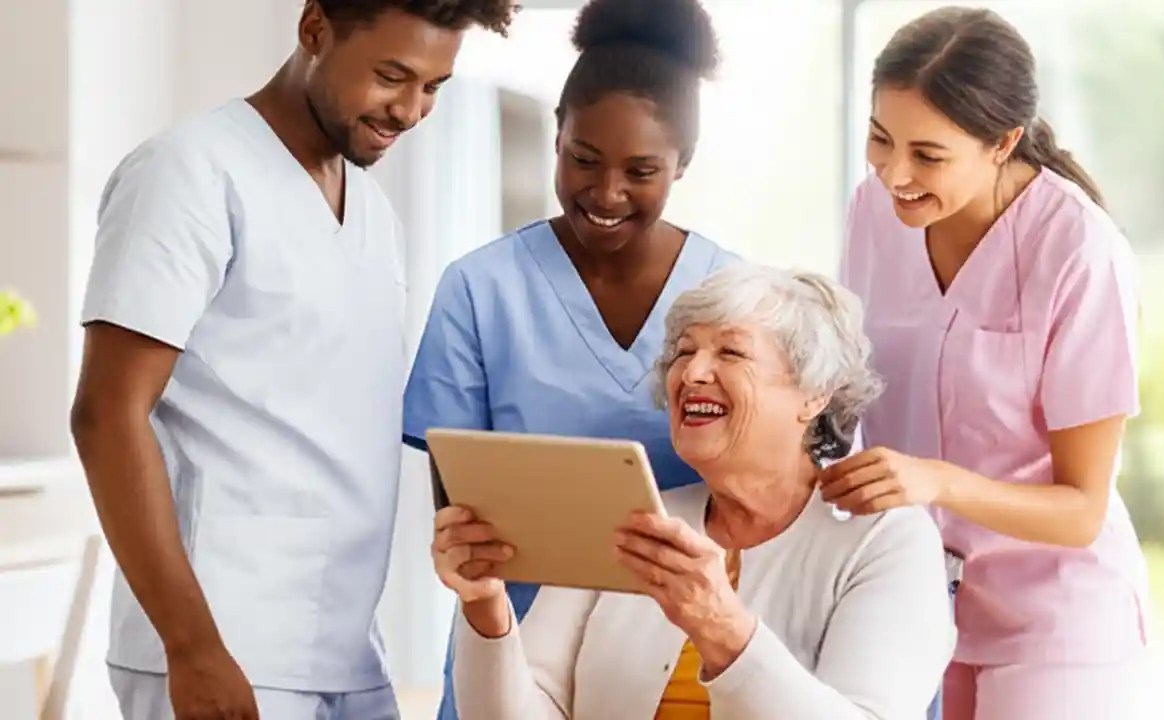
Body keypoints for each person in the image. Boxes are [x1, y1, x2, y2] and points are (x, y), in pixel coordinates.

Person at [69, 2, 516, 718]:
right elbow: (106, 415)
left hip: (348, 651)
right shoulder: (189, 172)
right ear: (314, 29)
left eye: (433, 87)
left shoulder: (372, 212)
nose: (409, 111)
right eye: (391, 76)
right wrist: (192, 647)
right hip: (223, 642)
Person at [401, 0, 738, 716]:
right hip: (507, 651)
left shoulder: (734, 299)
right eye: (583, 159)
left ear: (683, 164)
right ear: (556, 134)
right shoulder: (480, 288)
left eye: (641, 170)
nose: (607, 193)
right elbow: (458, 499)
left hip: (662, 663)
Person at [430, 264, 956, 719]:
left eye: (731, 352)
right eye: (683, 352)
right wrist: (485, 604)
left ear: (815, 394)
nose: (692, 373)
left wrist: (721, 627)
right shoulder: (622, 515)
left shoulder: (886, 540)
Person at [831, 7, 1148, 720]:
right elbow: (853, 380)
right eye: (880, 139)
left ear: (1003, 142)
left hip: (1054, 621)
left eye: (928, 155)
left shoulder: (1079, 250)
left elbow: (1082, 510)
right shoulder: (873, 211)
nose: (895, 173)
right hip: (909, 597)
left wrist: (936, 480)